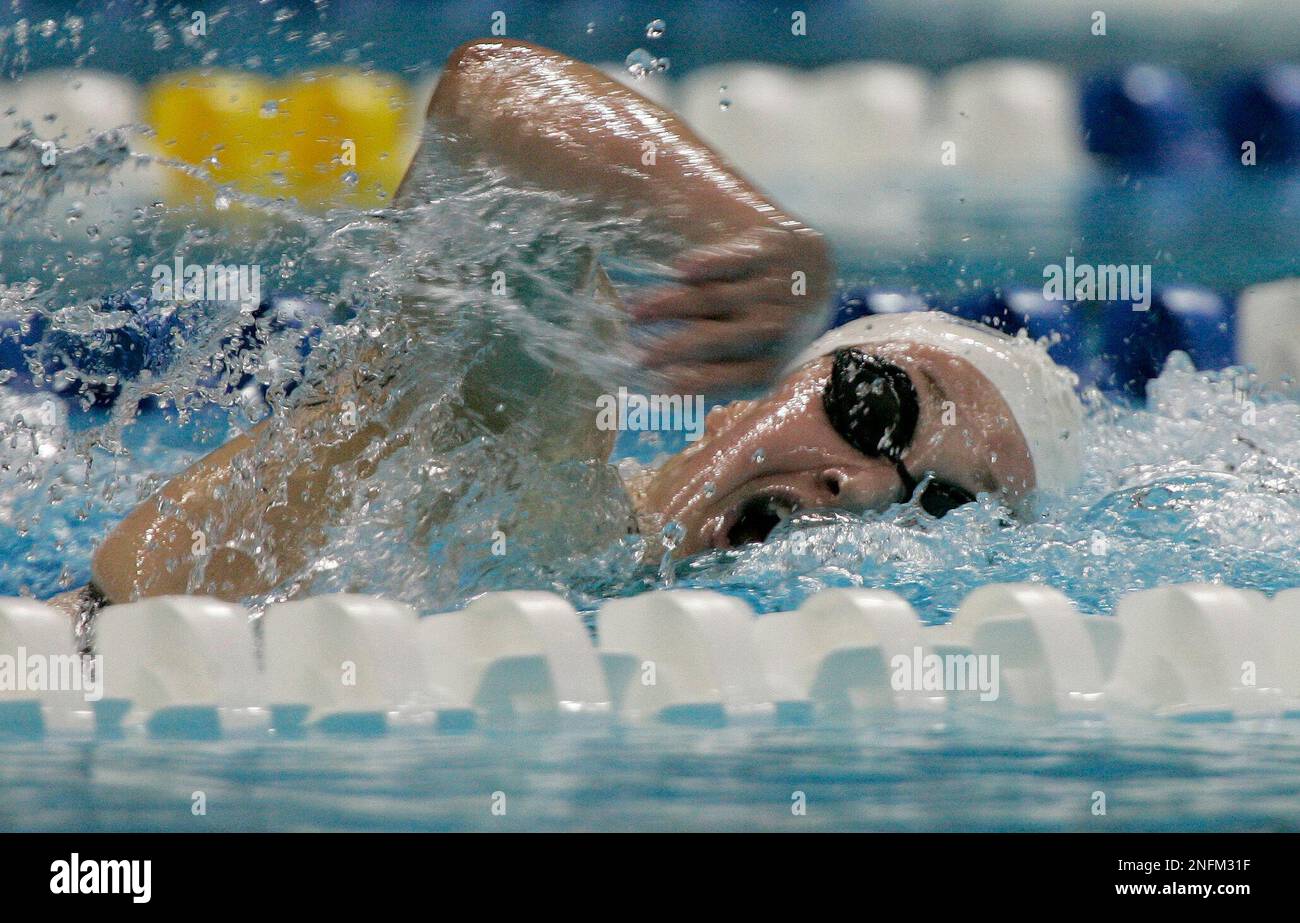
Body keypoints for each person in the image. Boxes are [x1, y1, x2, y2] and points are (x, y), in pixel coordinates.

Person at [54, 39, 1083, 621]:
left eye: (942, 503)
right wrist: (745, 228)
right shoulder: (529, 439)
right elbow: (488, 102)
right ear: (758, 393)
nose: (858, 484)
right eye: (876, 406)